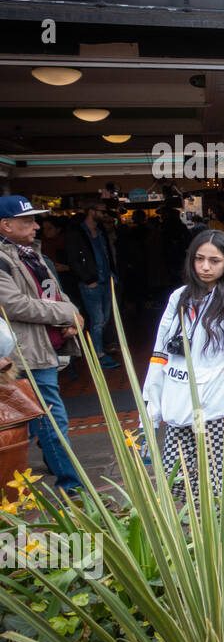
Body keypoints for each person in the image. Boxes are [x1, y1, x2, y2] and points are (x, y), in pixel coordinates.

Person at [142, 231, 224, 522]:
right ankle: (198, 528)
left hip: (214, 410)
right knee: (174, 479)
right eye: (200, 259)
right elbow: (159, 353)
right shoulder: (179, 297)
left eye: (214, 261)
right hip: (179, 407)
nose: (205, 267)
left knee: (223, 483)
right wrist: (151, 405)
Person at [0, 196, 84, 495]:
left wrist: (73, 314)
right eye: (28, 221)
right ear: (5, 225)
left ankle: (57, 466)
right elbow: (14, 305)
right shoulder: (4, 259)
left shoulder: (31, 255)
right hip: (25, 355)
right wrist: (66, 314)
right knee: (51, 418)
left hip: (43, 349)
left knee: (44, 417)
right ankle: (72, 487)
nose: (36, 226)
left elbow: (56, 292)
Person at [66, 202, 120, 368]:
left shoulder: (101, 231)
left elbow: (106, 254)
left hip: (105, 281)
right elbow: (73, 259)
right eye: (102, 212)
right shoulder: (77, 233)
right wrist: (88, 279)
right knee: (97, 320)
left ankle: (99, 351)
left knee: (104, 319)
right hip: (92, 283)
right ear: (91, 211)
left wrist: (112, 273)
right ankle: (98, 354)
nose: (105, 215)